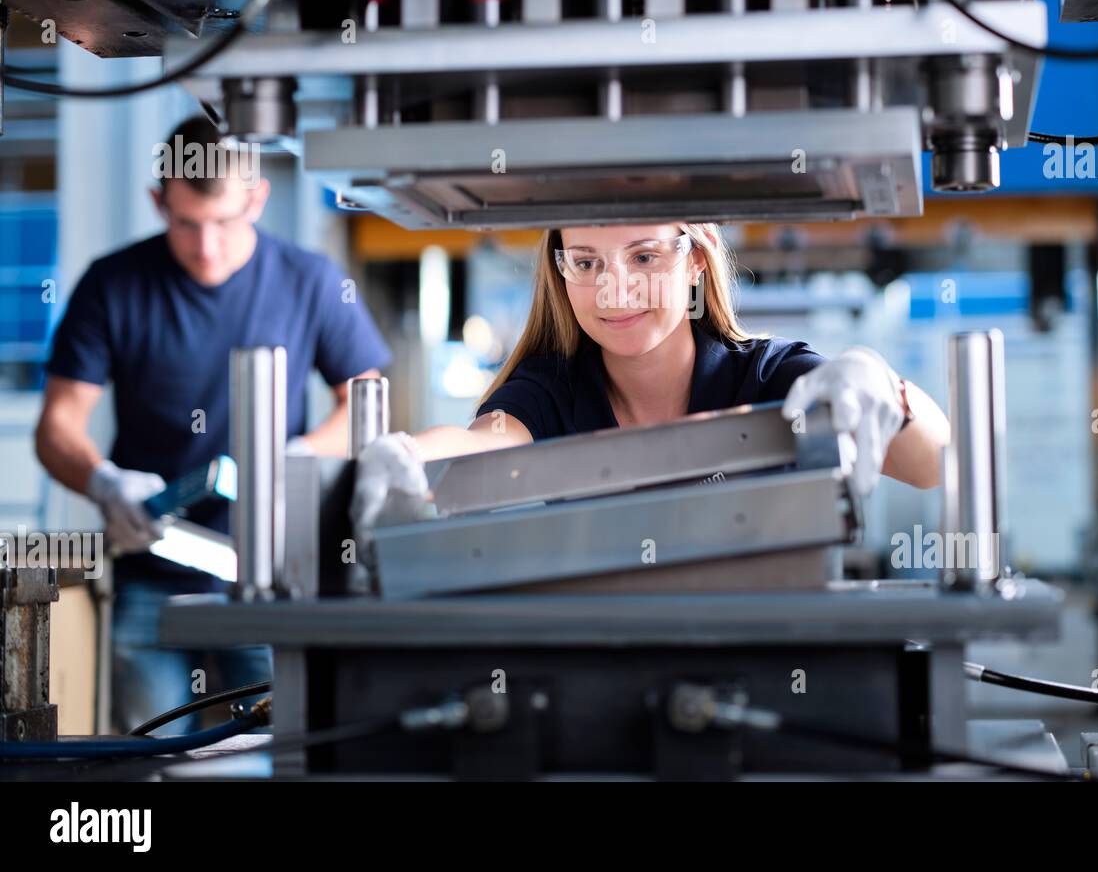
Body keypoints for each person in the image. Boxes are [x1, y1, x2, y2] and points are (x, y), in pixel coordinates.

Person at [36, 116, 391, 734]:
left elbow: (367, 398)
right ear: (158, 201)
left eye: (224, 223)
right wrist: (102, 482)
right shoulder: (111, 285)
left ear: (257, 198)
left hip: (271, 572)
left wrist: (297, 460)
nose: (206, 248)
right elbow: (58, 424)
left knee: (284, 746)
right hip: (152, 572)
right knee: (153, 754)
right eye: (185, 224)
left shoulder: (311, 282)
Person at [351, 222, 948, 531]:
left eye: (644, 256)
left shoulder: (766, 377)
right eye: (587, 262)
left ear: (695, 258)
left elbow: (930, 464)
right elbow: (480, 443)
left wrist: (878, 383)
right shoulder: (550, 391)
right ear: (562, 272)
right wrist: (406, 455)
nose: (615, 289)